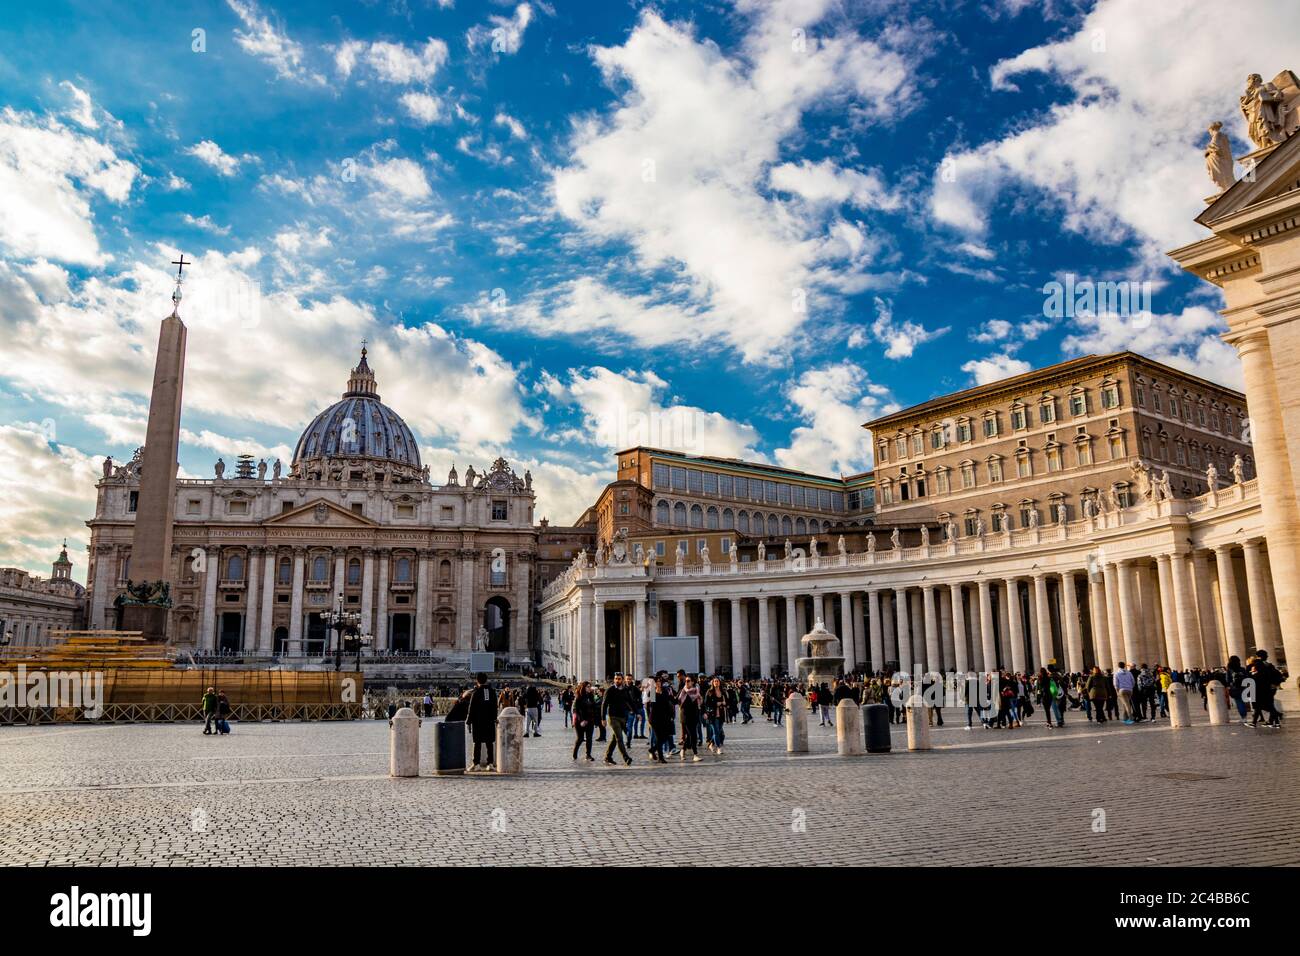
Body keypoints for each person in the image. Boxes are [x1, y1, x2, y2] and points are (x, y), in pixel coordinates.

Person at [466, 673, 498, 772]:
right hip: (489, 721)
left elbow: (471, 708)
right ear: (486, 680)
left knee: (477, 743)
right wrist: (494, 718)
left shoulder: (476, 692)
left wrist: (468, 721)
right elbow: (494, 707)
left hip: (478, 721)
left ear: (477, 681)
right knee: (489, 743)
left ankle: (476, 764)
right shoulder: (492, 691)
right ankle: (490, 763)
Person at [600, 673, 634, 765]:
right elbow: (604, 704)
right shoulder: (610, 690)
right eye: (615, 679)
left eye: (619, 679)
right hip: (613, 717)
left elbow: (630, 701)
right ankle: (626, 757)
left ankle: (608, 756)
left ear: (622, 680)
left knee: (615, 738)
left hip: (623, 717)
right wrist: (603, 718)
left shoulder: (625, 690)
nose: (617, 680)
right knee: (620, 738)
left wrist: (635, 712)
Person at [647, 675, 676, 763]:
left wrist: (671, 715)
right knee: (659, 737)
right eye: (656, 681)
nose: (658, 683)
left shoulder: (665, 691)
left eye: (659, 681)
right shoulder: (652, 692)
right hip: (655, 718)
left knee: (665, 736)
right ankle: (661, 758)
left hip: (665, 718)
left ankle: (653, 749)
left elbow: (669, 703)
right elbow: (652, 706)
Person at [571, 681, 598, 761]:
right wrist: (581, 720)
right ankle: (575, 753)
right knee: (580, 738)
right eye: (587, 687)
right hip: (580, 721)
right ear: (584, 687)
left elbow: (594, 708)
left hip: (590, 720)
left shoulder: (591, 696)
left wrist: (595, 720)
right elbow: (576, 710)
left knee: (589, 738)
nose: (589, 688)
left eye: (590, 686)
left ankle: (588, 755)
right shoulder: (578, 697)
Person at [703, 676, 728, 756]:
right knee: (716, 732)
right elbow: (706, 703)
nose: (716, 683)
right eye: (715, 681)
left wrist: (725, 703)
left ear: (719, 682)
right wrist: (715, 704)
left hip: (721, 714)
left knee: (718, 731)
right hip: (713, 715)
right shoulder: (709, 692)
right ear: (712, 683)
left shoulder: (722, 691)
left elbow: (727, 701)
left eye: (717, 681)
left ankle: (711, 744)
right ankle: (718, 747)